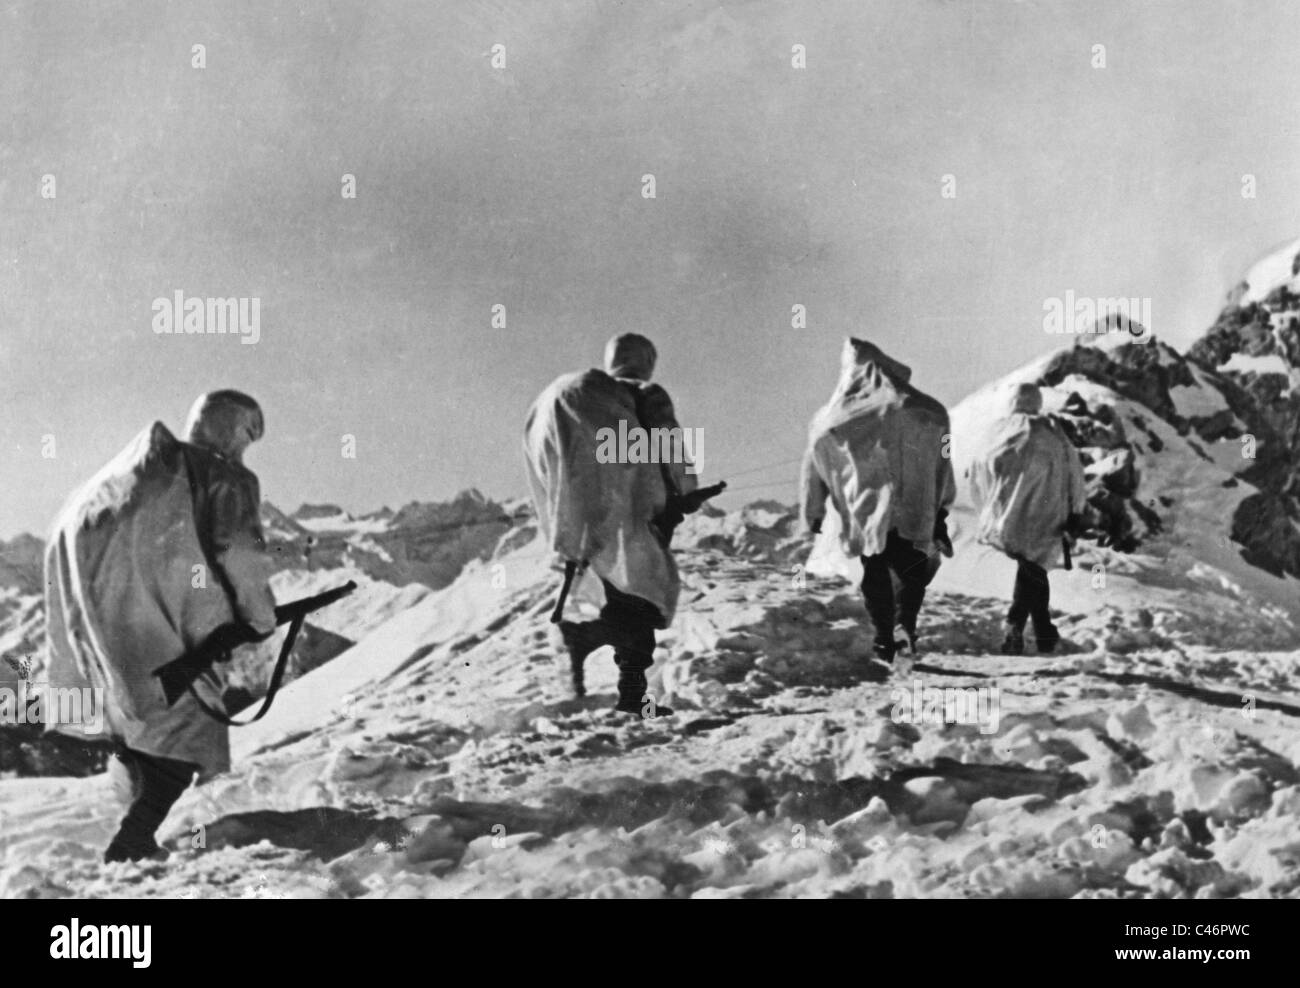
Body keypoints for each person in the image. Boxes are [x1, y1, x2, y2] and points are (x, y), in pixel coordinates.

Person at [45, 390, 277, 863]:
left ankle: (135, 835)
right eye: (247, 434)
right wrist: (258, 617)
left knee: (142, 727)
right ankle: (130, 845)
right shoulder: (222, 475)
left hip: (105, 634)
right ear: (234, 428)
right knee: (182, 734)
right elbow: (239, 549)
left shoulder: (128, 478)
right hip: (177, 630)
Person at [523, 333, 708, 717]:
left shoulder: (580, 396)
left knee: (621, 595)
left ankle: (587, 639)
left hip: (581, 500)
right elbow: (666, 442)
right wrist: (685, 488)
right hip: (626, 501)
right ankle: (631, 695)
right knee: (643, 597)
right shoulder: (643, 391)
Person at [800, 338, 956, 664]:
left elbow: (813, 465)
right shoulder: (927, 410)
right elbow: (943, 459)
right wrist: (941, 503)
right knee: (911, 568)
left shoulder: (832, 417)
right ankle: (905, 625)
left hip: (865, 508)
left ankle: (885, 637)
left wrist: (812, 512)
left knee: (875, 571)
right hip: (915, 505)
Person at [966, 382, 1086, 655]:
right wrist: (1076, 512)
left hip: (1007, 515)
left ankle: (1042, 631)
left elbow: (975, 473)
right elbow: (1074, 473)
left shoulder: (995, 432)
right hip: (1048, 514)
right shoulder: (1052, 432)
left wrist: (987, 508)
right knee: (1035, 568)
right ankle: (1019, 624)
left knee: (1031, 569)